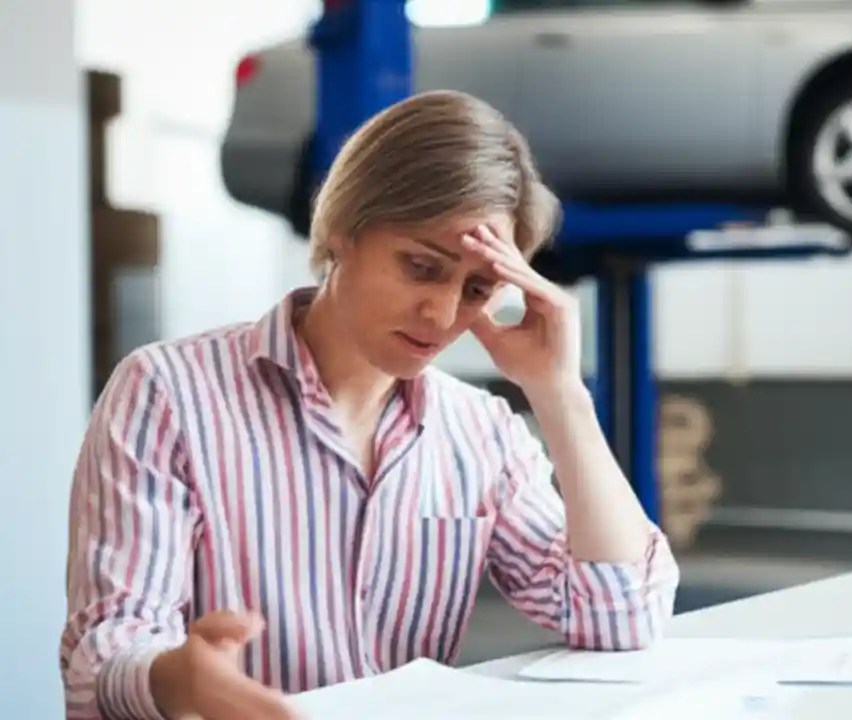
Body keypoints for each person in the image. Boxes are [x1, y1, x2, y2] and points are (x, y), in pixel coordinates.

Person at [60, 90, 680, 720]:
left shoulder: (479, 432)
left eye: (477, 288)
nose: (442, 316)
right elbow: (103, 654)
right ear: (342, 228)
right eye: (420, 267)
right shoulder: (169, 393)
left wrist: (560, 395)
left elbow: (621, 614)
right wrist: (175, 679)